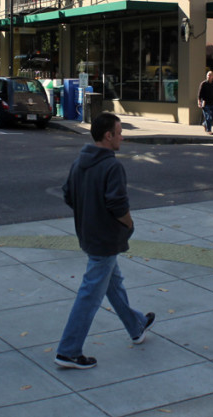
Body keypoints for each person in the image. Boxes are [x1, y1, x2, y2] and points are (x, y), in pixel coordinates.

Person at [55, 112, 155, 369]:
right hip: (106, 238)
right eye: (120, 132)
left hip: (89, 235)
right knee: (90, 293)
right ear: (108, 136)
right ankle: (68, 350)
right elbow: (118, 205)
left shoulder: (80, 162)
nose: (122, 136)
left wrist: (88, 212)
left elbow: (68, 194)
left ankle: (136, 326)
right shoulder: (112, 166)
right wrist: (129, 224)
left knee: (113, 283)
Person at [197, 70, 213, 135]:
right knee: (208, 117)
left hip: (212, 103)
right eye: (208, 75)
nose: (209, 76)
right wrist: (199, 102)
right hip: (205, 103)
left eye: (210, 75)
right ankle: (209, 130)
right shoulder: (203, 84)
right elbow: (199, 94)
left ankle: (204, 124)